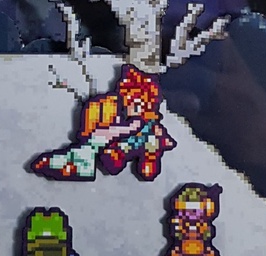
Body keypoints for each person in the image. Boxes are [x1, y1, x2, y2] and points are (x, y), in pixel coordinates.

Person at [30, 65, 176, 182]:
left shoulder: (147, 124)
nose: (132, 107)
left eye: (138, 103)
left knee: (147, 153)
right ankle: (79, 162)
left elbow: (156, 138)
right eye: (131, 102)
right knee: (109, 153)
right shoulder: (113, 110)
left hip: (136, 147)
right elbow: (116, 133)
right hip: (115, 148)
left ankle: (82, 161)